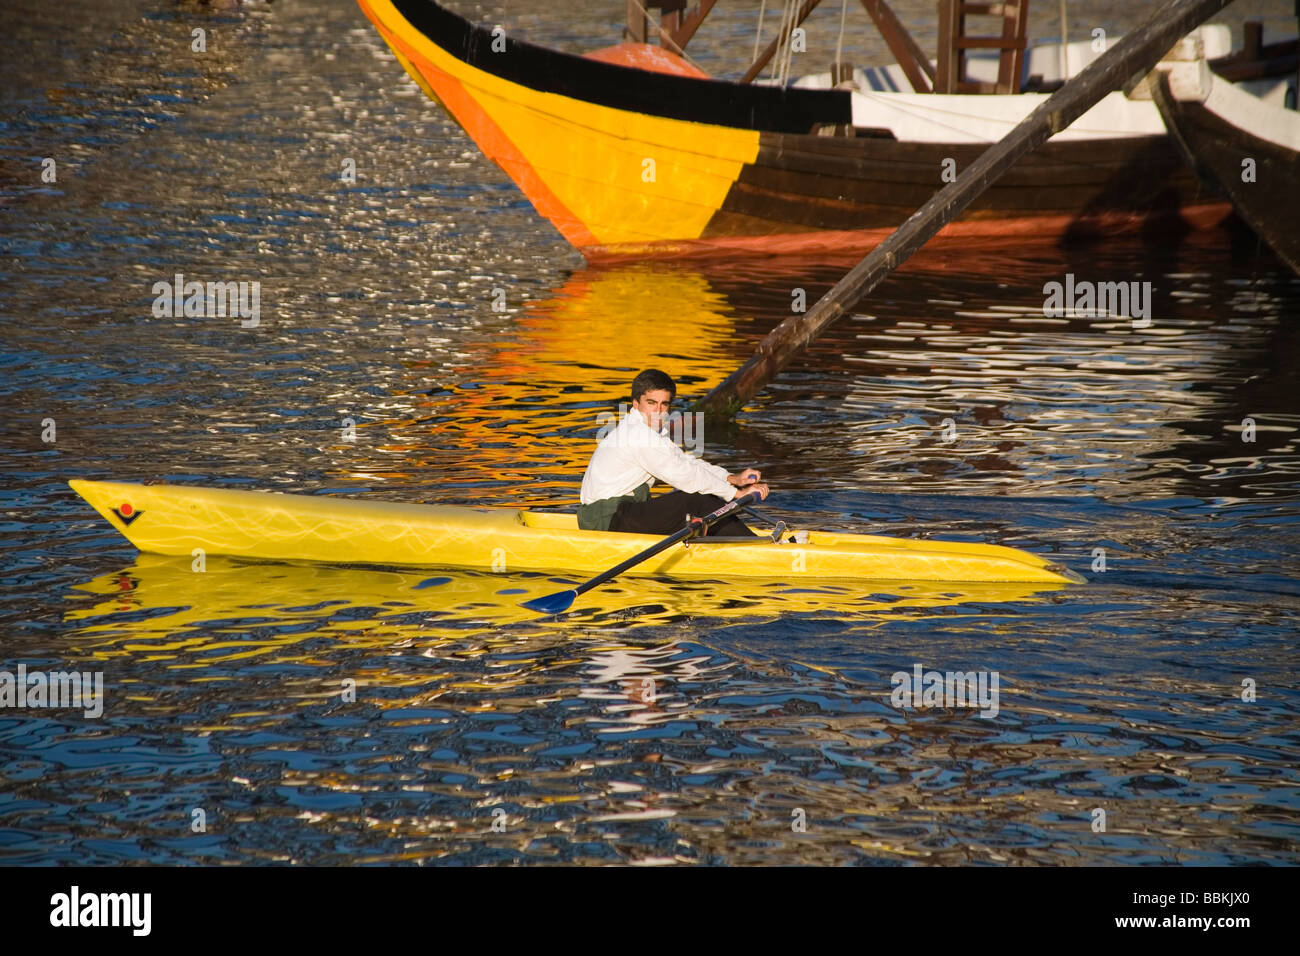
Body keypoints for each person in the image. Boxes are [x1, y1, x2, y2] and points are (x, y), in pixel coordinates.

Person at [578, 369, 769, 536]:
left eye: (664, 404)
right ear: (635, 404)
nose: (658, 411)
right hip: (604, 518)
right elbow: (686, 477)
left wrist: (732, 479)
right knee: (694, 500)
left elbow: (686, 463)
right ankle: (758, 548)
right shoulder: (638, 435)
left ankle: (743, 540)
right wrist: (736, 494)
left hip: (620, 512)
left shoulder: (650, 430)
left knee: (703, 493)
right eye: (651, 403)